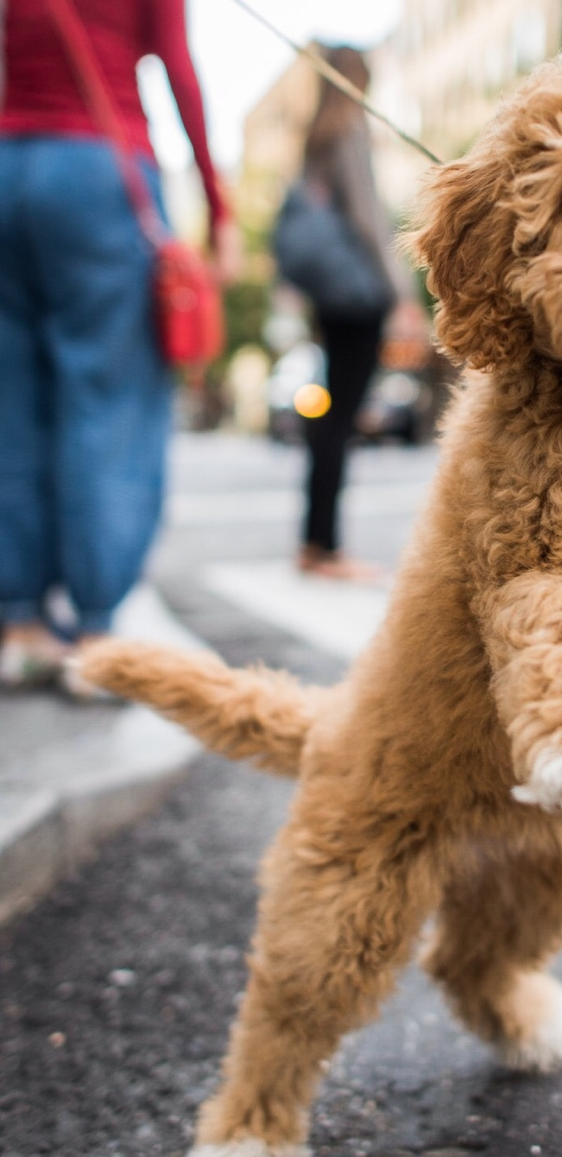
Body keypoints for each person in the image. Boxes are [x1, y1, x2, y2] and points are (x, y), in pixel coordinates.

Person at [0, 0, 236, 691]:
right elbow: (178, 72)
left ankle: (17, 624)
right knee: (107, 404)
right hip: (98, 173)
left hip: (9, 168)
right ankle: (97, 633)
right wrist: (218, 206)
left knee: (13, 406)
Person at [294, 46, 426, 581]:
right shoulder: (349, 133)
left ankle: (314, 543)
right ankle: (324, 548)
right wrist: (402, 294)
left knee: (330, 419)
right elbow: (369, 220)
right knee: (341, 420)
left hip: (328, 299)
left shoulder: (315, 140)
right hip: (358, 297)